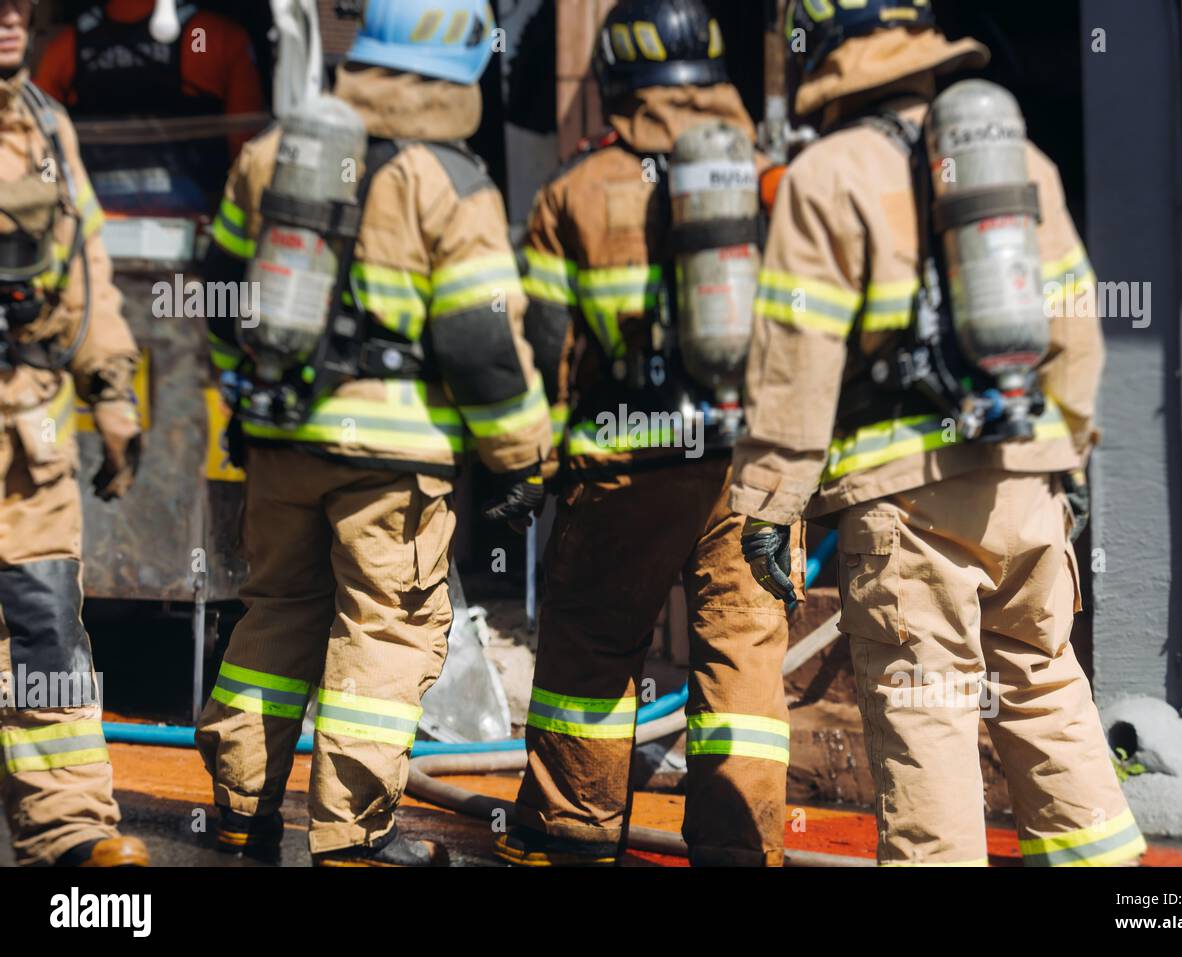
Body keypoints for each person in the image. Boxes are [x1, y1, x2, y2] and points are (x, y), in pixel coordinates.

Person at [730, 0, 1146, 867]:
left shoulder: (828, 174)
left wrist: (770, 501)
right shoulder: (1020, 156)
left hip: (906, 497)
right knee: (1045, 685)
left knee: (929, 712)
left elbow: (796, 363)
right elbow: (1076, 325)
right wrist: (1056, 462)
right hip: (1024, 484)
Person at [194, 0, 551, 867]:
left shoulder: (274, 153)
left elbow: (218, 295)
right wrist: (519, 459)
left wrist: (245, 400)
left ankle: (241, 811)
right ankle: (351, 836)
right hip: (393, 463)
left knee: (275, 613)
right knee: (384, 631)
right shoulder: (452, 181)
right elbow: (481, 340)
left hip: (282, 439)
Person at [494, 0, 798, 868]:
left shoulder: (577, 190)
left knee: (591, 645)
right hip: (749, 462)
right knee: (743, 656)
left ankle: (571, 832)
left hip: (624, 460)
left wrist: (531, 461)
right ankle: (740, 846)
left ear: (617, 77)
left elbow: (546, 346)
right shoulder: (768, 181)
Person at [0, 0, 146, 867]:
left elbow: (88, 263)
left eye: (18, 5)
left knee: (46, 628)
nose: (8, 21)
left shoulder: (49, 128)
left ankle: (70, 830)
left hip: (30, 434)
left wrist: (112, 395)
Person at [34, 0, 266, 214]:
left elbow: (39, 140)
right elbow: (246, 147)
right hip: (195, 216)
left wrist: (49, 197)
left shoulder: (66, 45)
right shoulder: (212, 36)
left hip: (94, 216)